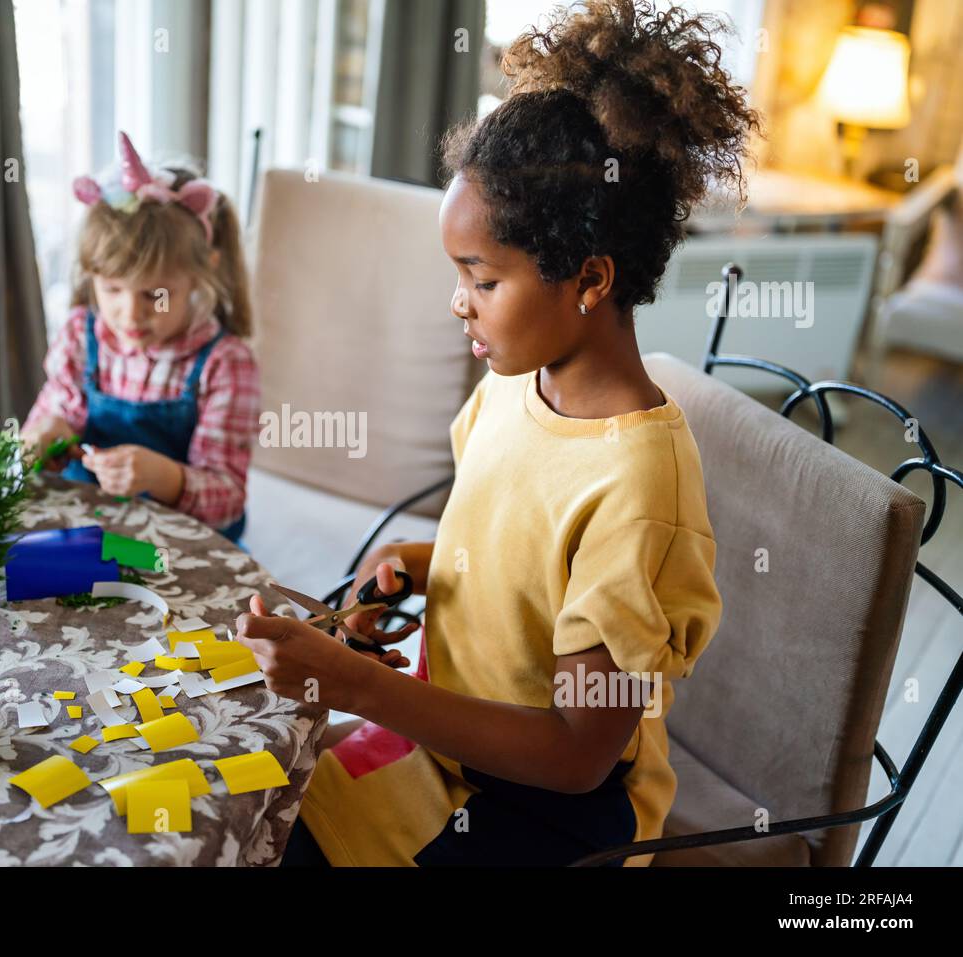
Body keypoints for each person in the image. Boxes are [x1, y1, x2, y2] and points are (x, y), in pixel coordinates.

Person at [238, 0, 754, 866]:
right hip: (451, 740)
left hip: (543, 813)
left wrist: (360, 684)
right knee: (259, 819)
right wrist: (422, 562)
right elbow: (514, 558)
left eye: (481, 278)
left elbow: (576, 753)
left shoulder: (637, 492)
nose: (458, 303)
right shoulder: (519, 386)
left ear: (589, 278)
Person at [22, 132, 258, 543]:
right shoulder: (81, 334)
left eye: (155, 295)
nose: (130, 314)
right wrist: (38, 440)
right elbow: (52, 420)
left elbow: (228, 500)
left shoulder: (224, 363)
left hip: (181, 545)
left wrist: (164, 477)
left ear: (203, 274)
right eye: (112, 290)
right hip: (89, 533)